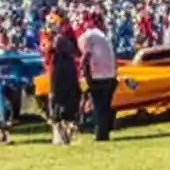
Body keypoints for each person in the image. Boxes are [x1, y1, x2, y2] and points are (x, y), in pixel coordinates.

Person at [78, 12, 119, 142]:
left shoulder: (88, 36)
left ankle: (101, 134)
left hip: (98, 75)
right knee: (105, 105)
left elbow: (86, 55)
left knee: (99, 105)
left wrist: (82, 70)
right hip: (110, 74)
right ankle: (105, 132)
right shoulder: (103, 35)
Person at [44, 11, 82, 145]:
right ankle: (60, 130)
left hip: (66, 69)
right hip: (58, 70)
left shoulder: (66, 34)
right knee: (58, 99)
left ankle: (68, 128)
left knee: (69, 97)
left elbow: (76, 49)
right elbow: (47, 51)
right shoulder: (49, 36)